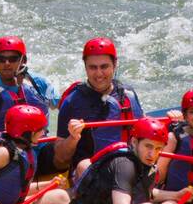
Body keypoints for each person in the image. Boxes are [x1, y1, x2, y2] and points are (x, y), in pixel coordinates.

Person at [60, 118, 177, 204]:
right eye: (148, 146)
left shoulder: (141, 162)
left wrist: (177, 195)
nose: (152, 154)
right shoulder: (124, 165)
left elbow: (146, 192)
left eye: (158, 148)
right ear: (134, 142)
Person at [56, 38, 144, 180]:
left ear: (114, 64)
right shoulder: (72, 102)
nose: (98, 74)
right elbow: (60, 160)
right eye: (93, 67)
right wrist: (72, 139)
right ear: (85, 67)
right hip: (91, 174)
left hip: (128, 167)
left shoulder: (129, 95)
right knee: (84, 166)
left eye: (104, 67)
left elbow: (144, 134)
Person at [0, 37, 58, 135]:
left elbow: (64, 106)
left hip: (40, 144)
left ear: (23, 60)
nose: (7, 63)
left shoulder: (41, 84)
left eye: (13, 59)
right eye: (1, 59)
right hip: (3, 145)